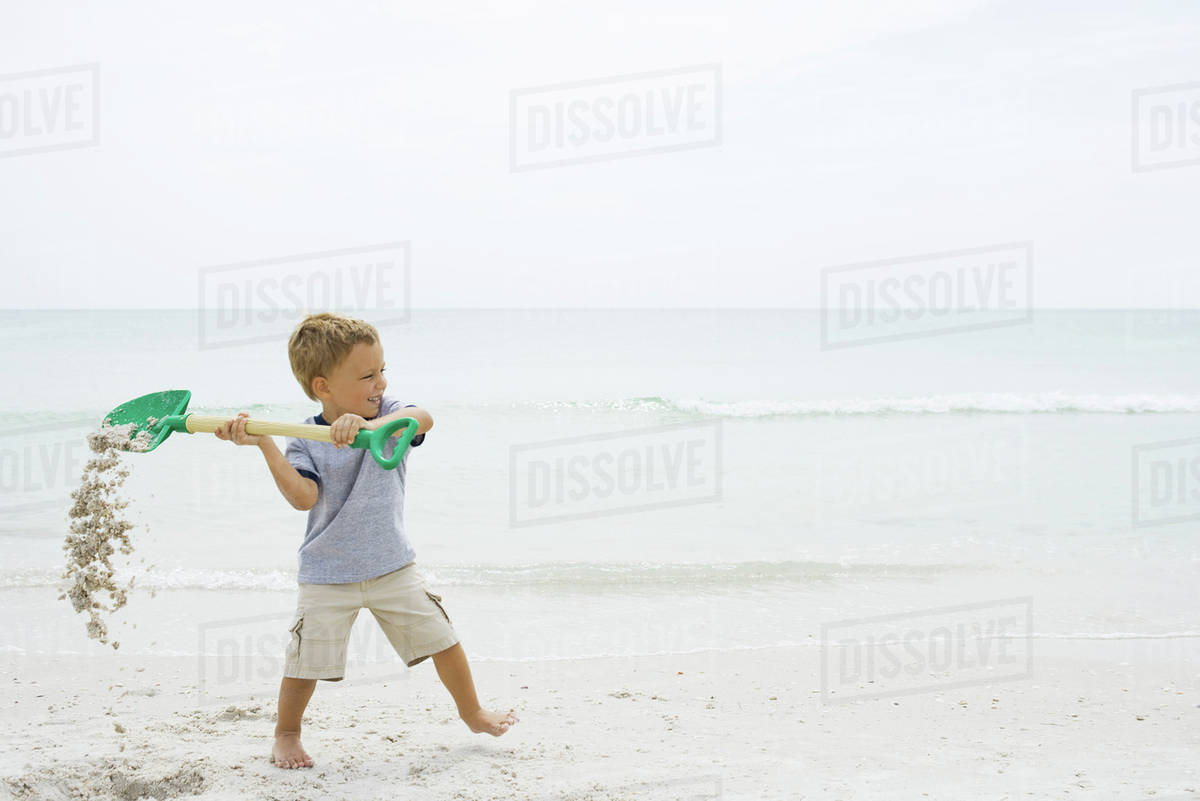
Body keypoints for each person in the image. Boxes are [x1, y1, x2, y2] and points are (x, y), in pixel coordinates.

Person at [214, 312, 518, 769]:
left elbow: (425, 418)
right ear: (323, 387)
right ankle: (287, 732)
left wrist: (370, 426)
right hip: (327, 574)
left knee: (442, 638)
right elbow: (303, 498)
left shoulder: (391, 416)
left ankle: (472, 712)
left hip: (392, 565)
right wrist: (266, 445)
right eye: (366, 375)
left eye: (382, 371)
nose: (380, 382)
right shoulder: (306, 441)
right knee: (304, 663)